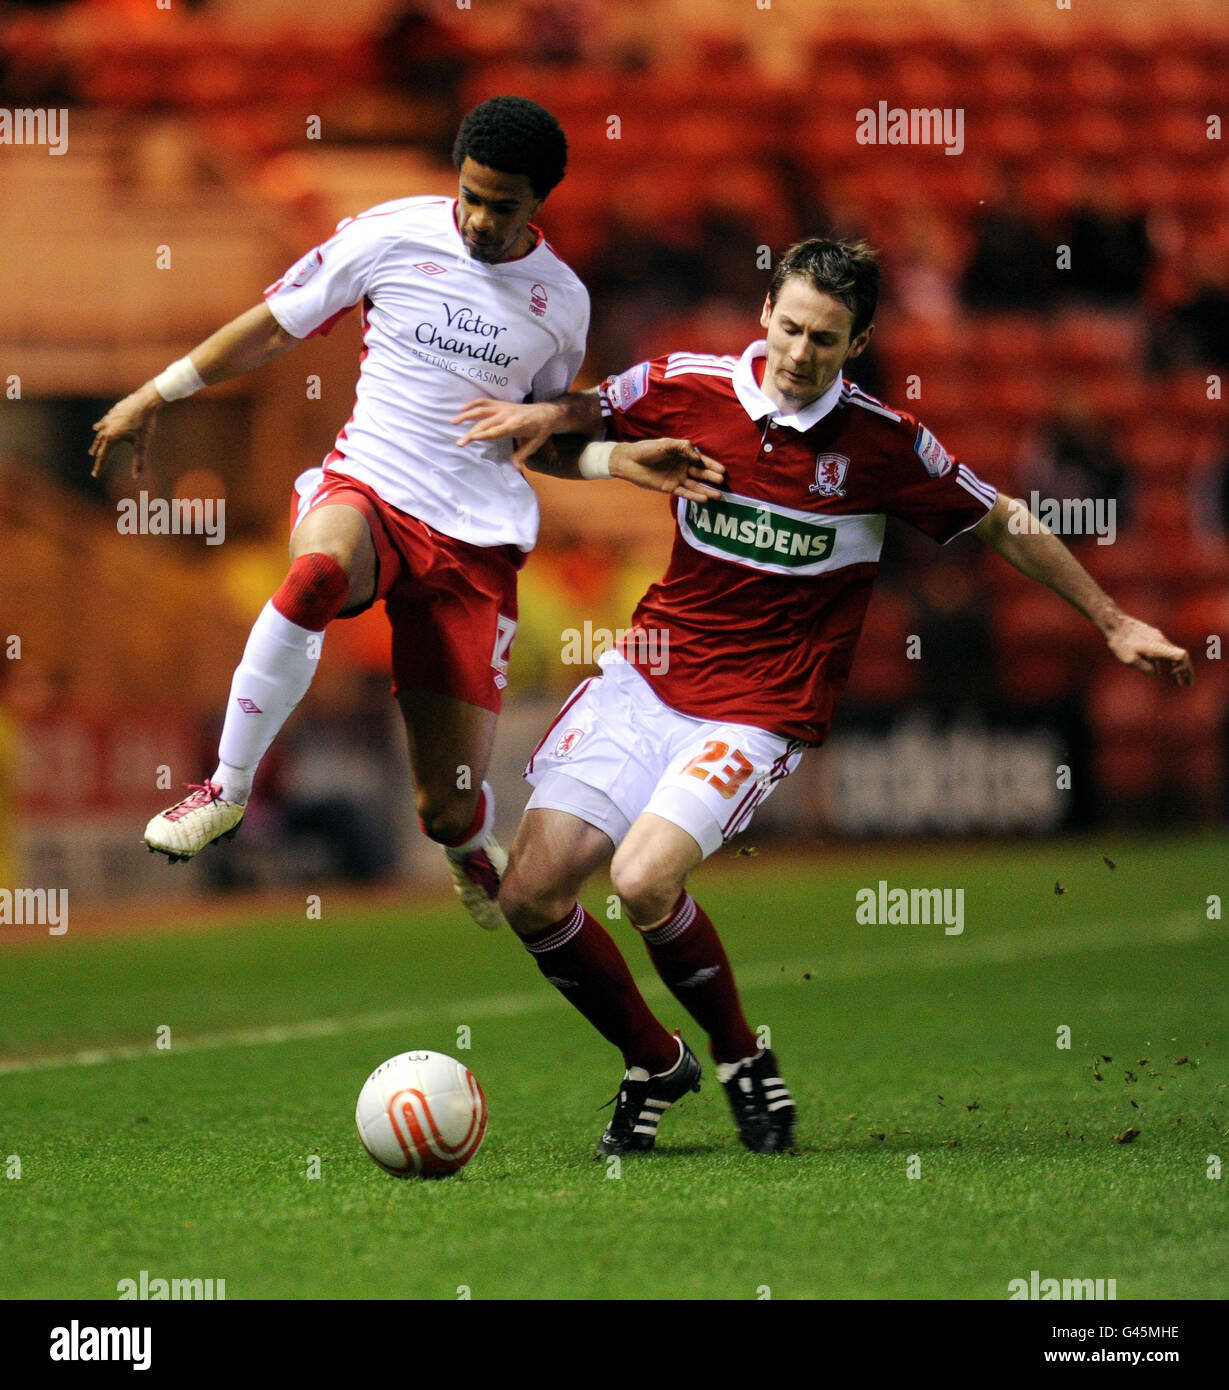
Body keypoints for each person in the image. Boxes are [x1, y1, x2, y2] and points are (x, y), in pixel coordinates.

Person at [453, 237, 1194, 1156]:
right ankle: (655, 1060)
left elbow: (1002, 518)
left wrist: (1113, 621)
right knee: (529, 895)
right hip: (644, 680)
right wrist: (571, 436)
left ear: (858, 341)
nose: (801, 352)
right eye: (792, 327)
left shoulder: (883, 446)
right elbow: (569, 427)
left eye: (826, 339)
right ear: (766, 313)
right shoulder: (684, 383)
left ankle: (737, 1057)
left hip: (758, 708)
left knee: (643, 879)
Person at [89, 96, 722, 929]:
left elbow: (543, 438)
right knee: (316, 572)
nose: (479, 219)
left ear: (539, 205)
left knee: (443, 805)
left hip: (474, 545)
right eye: (471, 194)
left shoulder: (560, 303)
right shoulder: (391, 233)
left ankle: (465, 845)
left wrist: (614, 459)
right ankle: (225, 788)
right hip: (371, 489)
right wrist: (157, 392)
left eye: (503, 205)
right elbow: (277, 326)